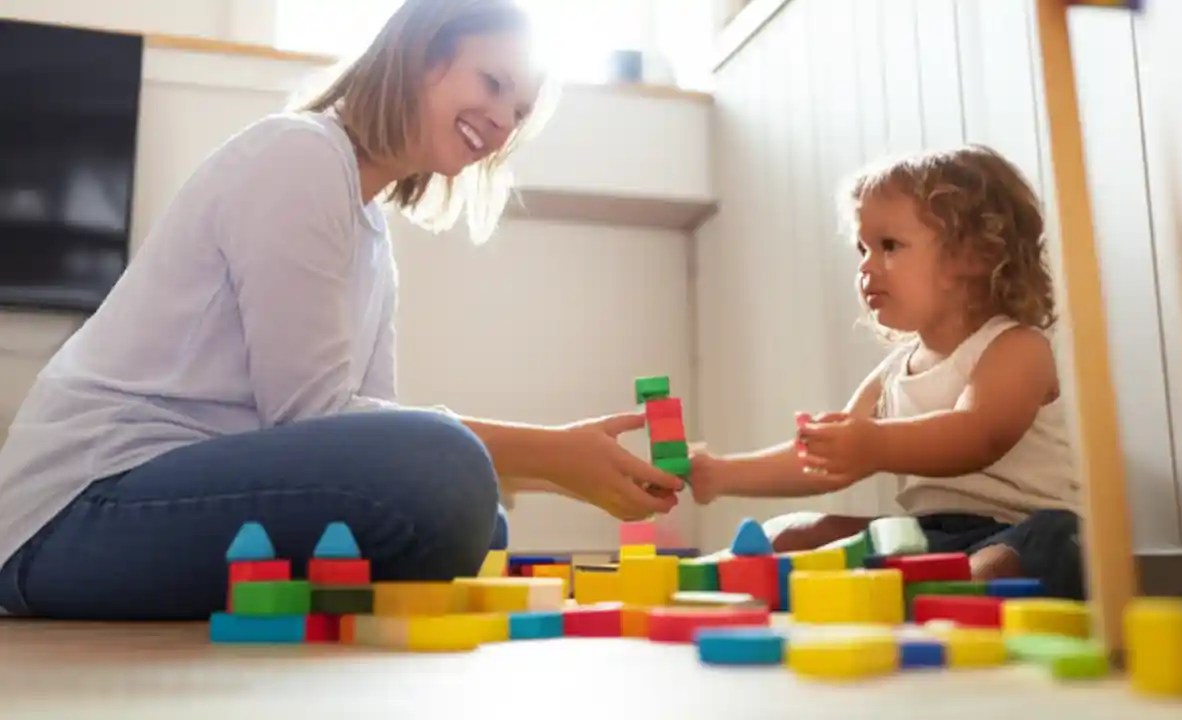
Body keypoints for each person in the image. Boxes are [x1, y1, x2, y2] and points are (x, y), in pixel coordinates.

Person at [0, 0, 682, 621]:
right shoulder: (298, 156)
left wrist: (565, 469)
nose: (504, 120)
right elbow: (319, 416)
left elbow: (364, 437)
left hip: (157, 496)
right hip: (71, 514)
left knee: (472, 514)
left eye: (521, 111)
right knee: (445, 478)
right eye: (492, 83)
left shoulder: (371, 235)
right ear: (421, 56)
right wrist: (548, 454)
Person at [688, 145, 1084, 599]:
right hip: (928, 536)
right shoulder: (893, 371)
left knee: (1022, 552)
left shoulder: (1015, 346)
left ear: (974, 255)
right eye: (862, 248)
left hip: (1024, 529)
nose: (865, 266)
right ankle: (706, 580)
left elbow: (979, 436)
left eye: (889, 246)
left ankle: (938, 596)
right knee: (794, 532)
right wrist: (720, 473)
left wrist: (872, 445)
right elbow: (822, 461)